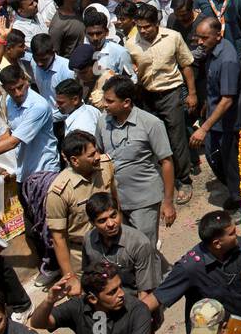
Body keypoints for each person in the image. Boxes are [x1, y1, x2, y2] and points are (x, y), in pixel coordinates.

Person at [0, 65, 60, 286]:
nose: (18, 93)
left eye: (20, 88)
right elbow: (11, 132)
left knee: (46, 223)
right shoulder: (10, 102)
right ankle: (47, 262)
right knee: (32, 225)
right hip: (24, 173)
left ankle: (54, 267)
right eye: (12, 90)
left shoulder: (38, 106)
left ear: (26, 81)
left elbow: (13, 142)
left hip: (43, 171)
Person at [126, 2, 197, 203]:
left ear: (156, 23)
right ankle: (163, 179)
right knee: (154, 140)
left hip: (171, 93)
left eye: (147, 26)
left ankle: (183, 180)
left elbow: (186, 65)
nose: (143, 30)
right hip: (147, 96)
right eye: (140, 27)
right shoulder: (131, 44)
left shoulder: (173, 37)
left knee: (177, 138)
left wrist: (191, 93)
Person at [95, 75, 176, 249]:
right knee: (126, 248)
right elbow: (99, 154)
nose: (104, 104)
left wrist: (168, 202)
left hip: (144, 200)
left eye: (109, 101)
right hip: (116, 202)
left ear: (126, 102)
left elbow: (167, 162)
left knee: (145, 248)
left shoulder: (151, 124)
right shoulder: (102, 122)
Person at [31, 261, 152, 334]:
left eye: (120, 287)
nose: (121, 294)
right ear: (93, 299)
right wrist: (49, 301)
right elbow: (38, 323)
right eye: (112, 292)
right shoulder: (78, 306)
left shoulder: (137, 311)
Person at [44, 130, 117, 285]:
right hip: (83, 257)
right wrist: (70, 278)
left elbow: (116, 203)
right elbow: (58, 238)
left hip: (114, 244)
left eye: (96, 151)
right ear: (74, 161)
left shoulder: (106, 166)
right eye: (91, 155)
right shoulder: (59, 192)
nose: (97, 157)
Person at [191, 17, 241, 211]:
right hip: (216, 119)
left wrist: (204, 128)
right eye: (198, 38)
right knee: (217, 160)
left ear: (218, 36)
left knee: (239, 169)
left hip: (230, 124)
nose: (200, 42)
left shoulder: (227, 59)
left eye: (204, 38)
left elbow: (227, 99)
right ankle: (235, 193)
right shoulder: (213, 50)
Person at [82, 192, 160, 296]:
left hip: (134, 304)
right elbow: (88, 278)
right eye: (102, 221)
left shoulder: (139, 244)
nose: (110, 224)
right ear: (92, 223)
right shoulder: (88, 240)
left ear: (119, 212)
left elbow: (145, 292)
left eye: (113, 216)